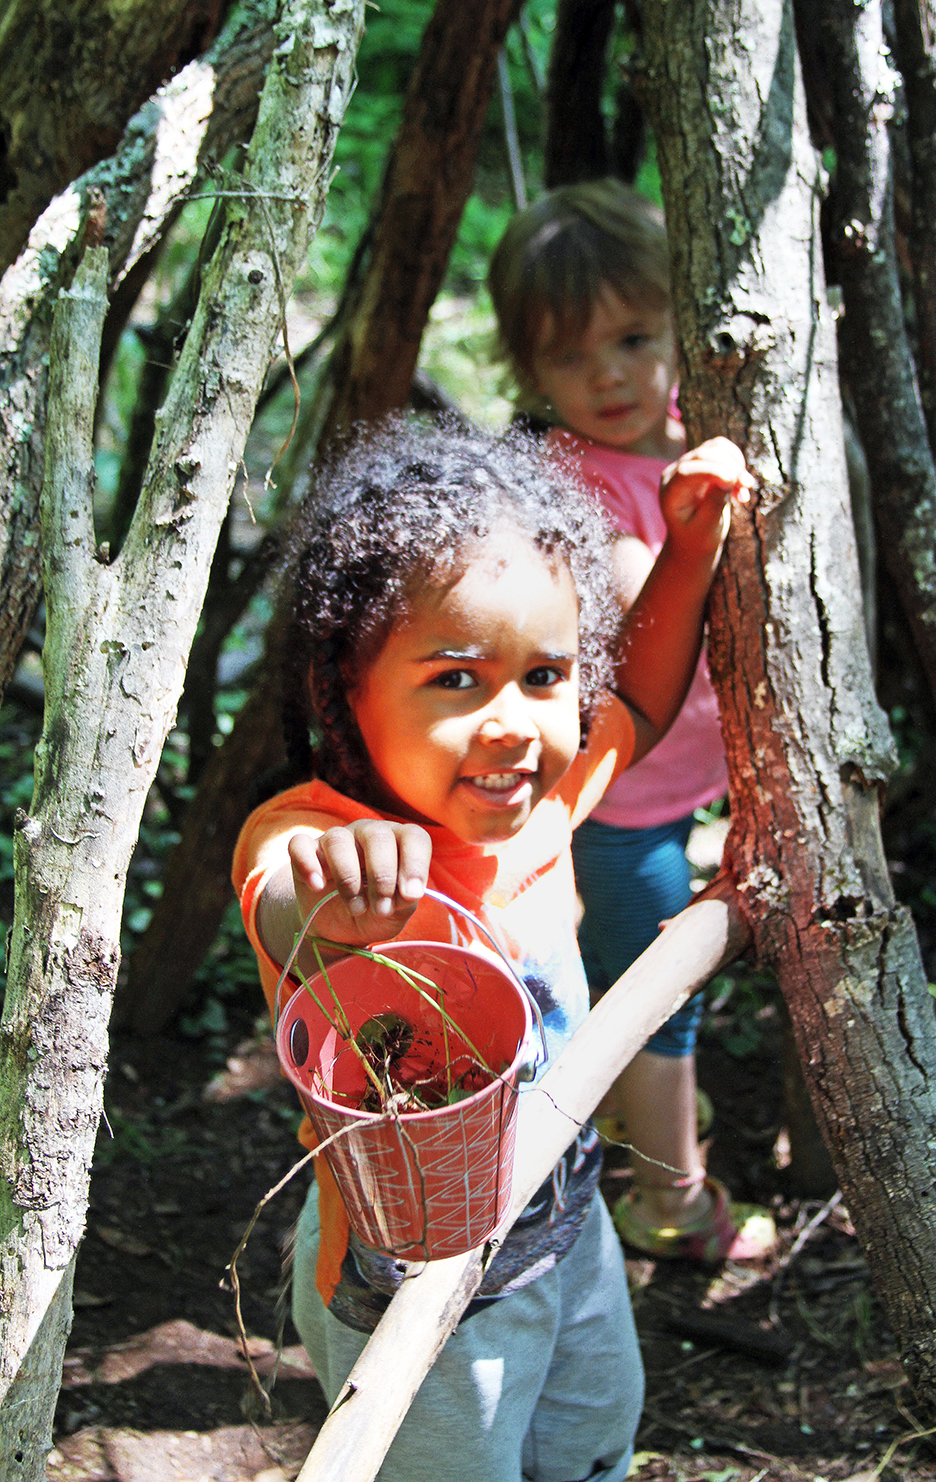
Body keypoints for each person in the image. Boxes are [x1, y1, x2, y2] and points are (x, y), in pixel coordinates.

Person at [232, 417, 751, 1482]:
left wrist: (689, 551)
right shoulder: (312, 837)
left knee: (595, 1433)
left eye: (545, 675)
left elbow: (641, 700)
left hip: (563, 1226)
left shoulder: (542, 809)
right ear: (347, 688)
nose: (514, 723)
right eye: (457, 680)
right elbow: (281, 895)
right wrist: (337, 888)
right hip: (409, 1283)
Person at [488, 179, 776, 1264]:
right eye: (570, 357)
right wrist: (694, 514)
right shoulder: (581, 478)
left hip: (683, 782)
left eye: (633, 337)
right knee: (659, 996)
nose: (607, 375)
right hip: (615, 804)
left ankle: (626, 1147)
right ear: (527, 371)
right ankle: (671, 1203)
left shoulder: (676, 427)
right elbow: (643, 589)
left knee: (644, 978)